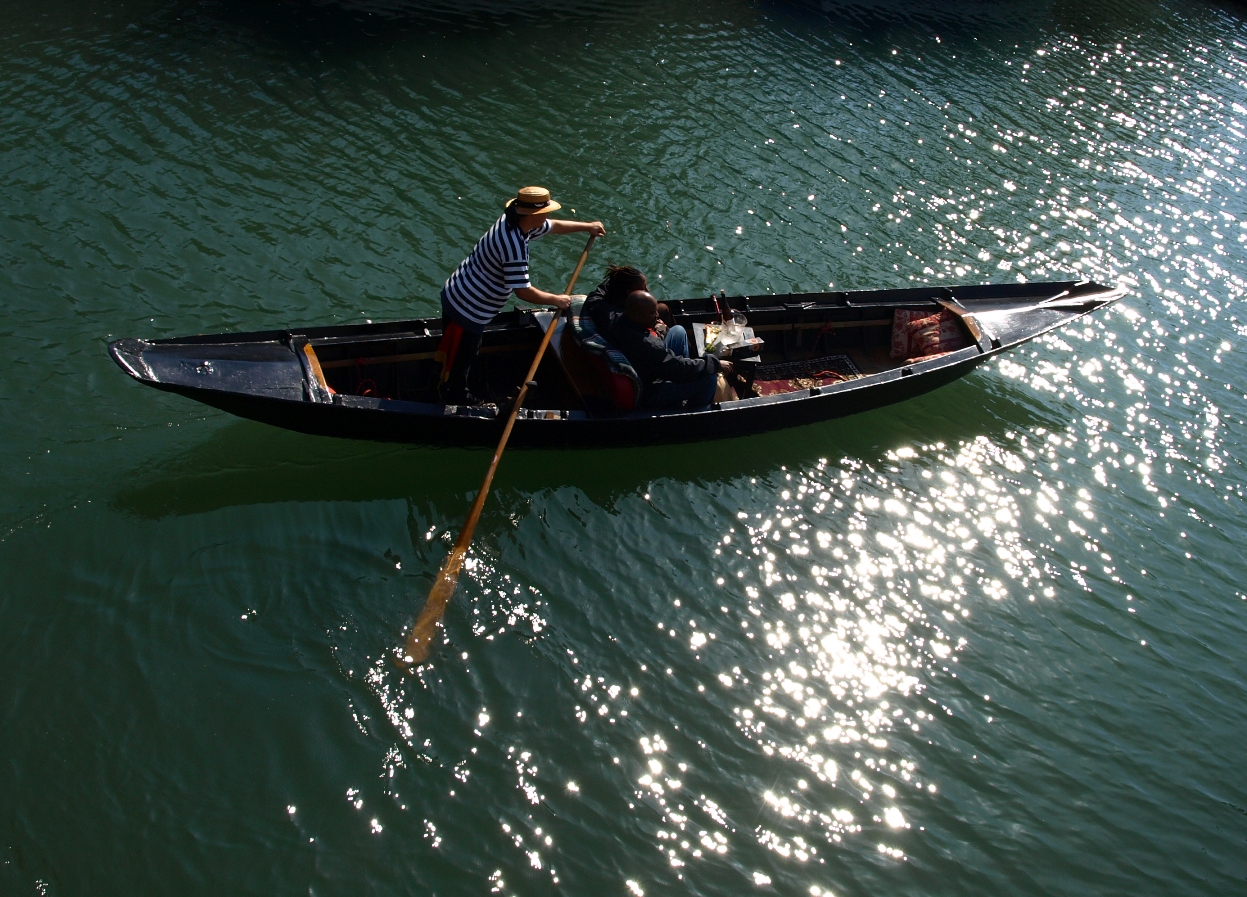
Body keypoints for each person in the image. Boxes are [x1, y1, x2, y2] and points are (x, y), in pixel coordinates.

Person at [438, 186, 606, 404]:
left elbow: (553, 226)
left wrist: (587, 227)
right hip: (468, 308)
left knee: (461, 356)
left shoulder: (517, 222)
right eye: (546, 211)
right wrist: (557, 299)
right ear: (534, 215)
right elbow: (523, 291)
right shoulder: (513, 244)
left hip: (459, 293)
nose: (548, 215)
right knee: (461, 361)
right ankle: (455, 396)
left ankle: (452, 384)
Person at [608, 290, 734, 409]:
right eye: (652, 313)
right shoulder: (647, 344)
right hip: (650, 391)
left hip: (651, 368)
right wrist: (715, 364)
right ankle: (693, 414)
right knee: (709, 377)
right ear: (637, 314)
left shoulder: (617, 318)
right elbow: (677, 368)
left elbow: (595, 298)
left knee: (677, 331)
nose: (657, 315)